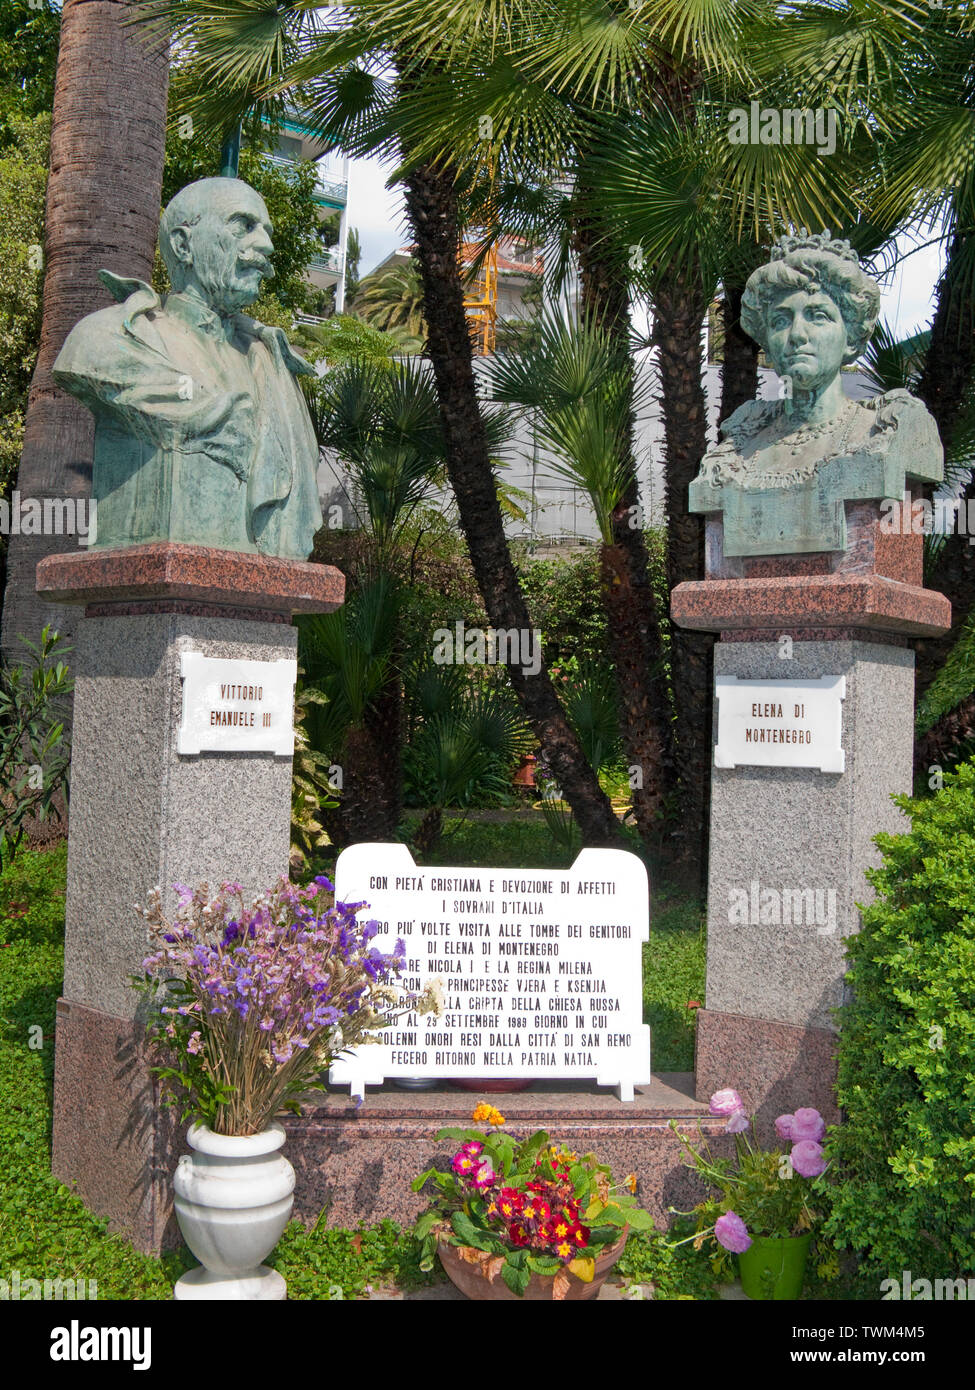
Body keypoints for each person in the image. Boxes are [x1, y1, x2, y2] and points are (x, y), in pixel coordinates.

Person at [52, 177, 323, 560]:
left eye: (265, 231)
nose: (265, 245)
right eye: (243, 225)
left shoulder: (269, 363)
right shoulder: (110, 338)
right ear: (183, 245)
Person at [689, 232, 942, 556]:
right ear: (766, 340)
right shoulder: (737, 445)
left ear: (851, 336)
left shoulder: (892, 429)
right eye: (781, 320)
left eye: (817, 315)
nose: (797, 335)